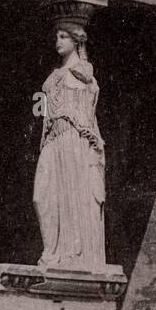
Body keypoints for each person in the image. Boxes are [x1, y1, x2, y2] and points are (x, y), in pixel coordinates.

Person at [33, 21, 106, 270]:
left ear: (77, 40)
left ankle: (73, 253)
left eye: (64, 36)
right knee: (42, 195)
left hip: (73, 139)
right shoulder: (53, 75)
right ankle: (52, 251)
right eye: (57, 36)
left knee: (72, 193)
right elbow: (40, 109)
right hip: (53, 138)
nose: (58, 41)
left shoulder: (83, 72)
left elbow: (89, 111)